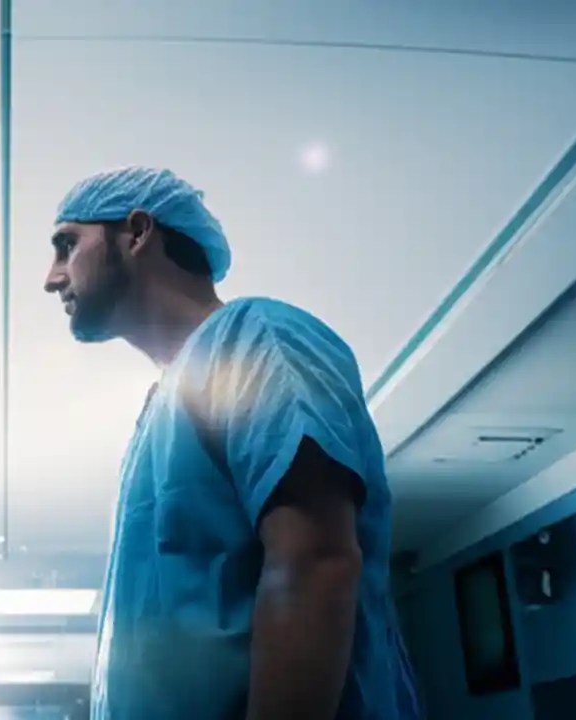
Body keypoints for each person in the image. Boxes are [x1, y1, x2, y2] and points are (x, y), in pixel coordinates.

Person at [43, 167, 421, 719]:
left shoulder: (261, 340)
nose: (52, 278)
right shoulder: (160, 411)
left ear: (138, 232)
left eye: (66, 245)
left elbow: (315, 563)